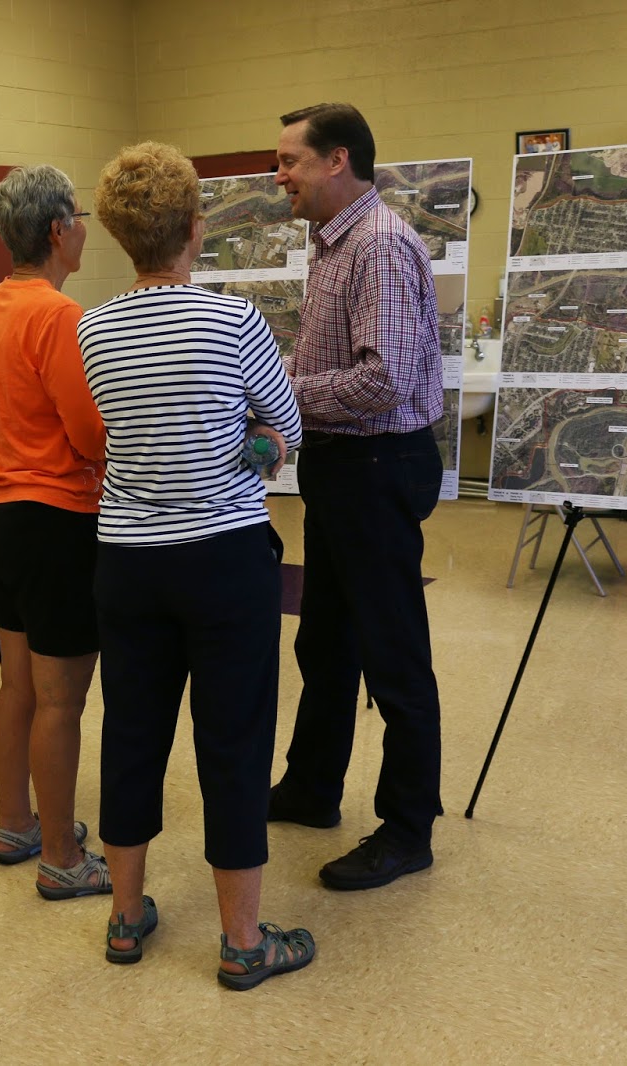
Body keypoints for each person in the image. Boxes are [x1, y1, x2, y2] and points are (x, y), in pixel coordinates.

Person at [78, 142, 311, 988]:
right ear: (193, 228)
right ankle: (243, 942)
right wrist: (251, 447)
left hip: (127, 562)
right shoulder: (233, 322)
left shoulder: (92, 328)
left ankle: (124, 917)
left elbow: (125, 430)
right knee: (235, 741)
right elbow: (283, 428)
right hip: (223, 560)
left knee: (131, 734)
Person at [268, 103, 446, 891]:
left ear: (337, 159)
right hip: (343, 466)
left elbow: (385, 382)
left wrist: (282, 394)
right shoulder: (333, 242)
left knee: (392, 653)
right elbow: (343, 367)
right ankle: (312, 789)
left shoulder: (377, 245)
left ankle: (408, 829)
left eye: (290, 161)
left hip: (376, 465)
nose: (279, 176)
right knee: (327, 642)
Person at [0, 165, 108, 899]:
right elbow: (87, 434)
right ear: (58, 230)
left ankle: (16, 824)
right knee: (62, 700)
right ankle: (62, 857)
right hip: (55, 519)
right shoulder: (58, 314)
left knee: (18, 685)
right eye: (79, 215)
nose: (84, 227)